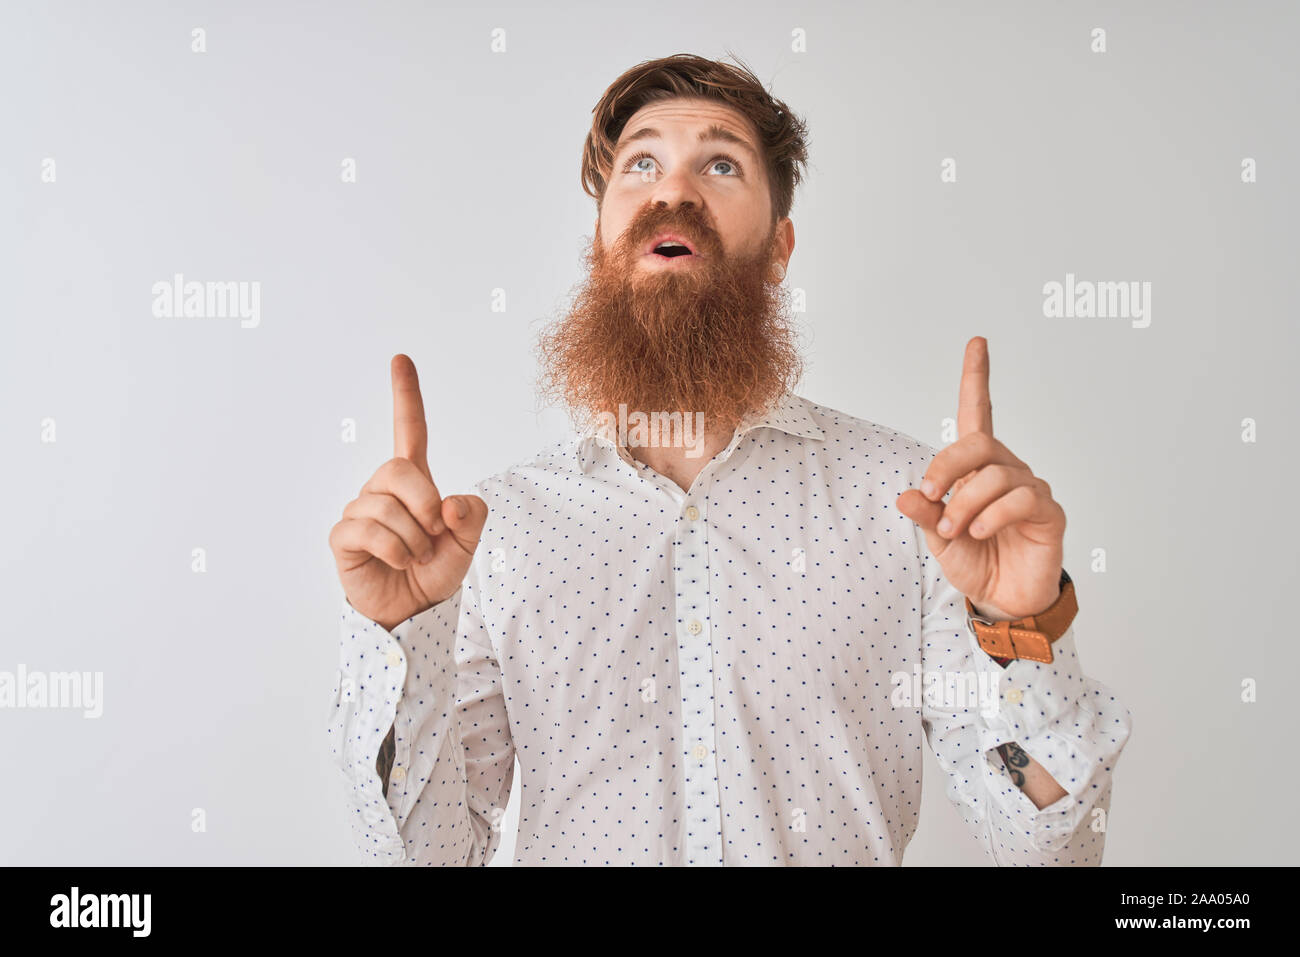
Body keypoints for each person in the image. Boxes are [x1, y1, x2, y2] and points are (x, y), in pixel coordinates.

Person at [326, 53, 1131, 866]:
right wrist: (400, 638)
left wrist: (1019, 630)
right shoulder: (496, 532)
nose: (673, 192)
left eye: (720, 164)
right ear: (602, 240)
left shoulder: (914, 508)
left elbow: (1049, 852)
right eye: (641, 163)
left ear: (779, 247)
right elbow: (424, 861)